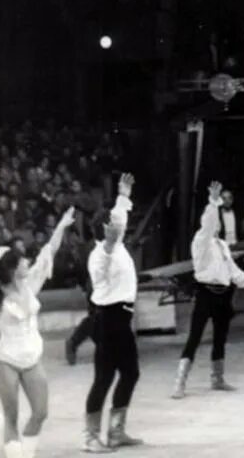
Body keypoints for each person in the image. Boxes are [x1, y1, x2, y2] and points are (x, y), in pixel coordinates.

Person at [0, 207, 75, 458]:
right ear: (12, 269)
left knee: (40, 412)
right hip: (5, 361)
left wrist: (62, 225)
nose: (27, 261)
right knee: (11, 415)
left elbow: (48, 252)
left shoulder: (30, 284)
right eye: (22, 261)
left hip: (32, 358)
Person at [172, 181, 244, 399]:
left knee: (220, 336)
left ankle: (217, 378)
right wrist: (213, 202)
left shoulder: (222, 245)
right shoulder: (200, 241)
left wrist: (243, 280)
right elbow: (208, 224)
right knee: (195, 336)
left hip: (223, 294)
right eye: (213, 220)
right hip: (205, 293)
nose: (216, 224)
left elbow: (230, 267)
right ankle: (180, 382)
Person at [83, 173, 142, 453]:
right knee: (104, 378)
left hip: (122, 318)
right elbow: (101, 271)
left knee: (130, 373)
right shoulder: (99, 255)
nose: (121, 226)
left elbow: (119, 216)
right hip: (108, 319)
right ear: (105, 229)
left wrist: (124, 195)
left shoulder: (116, 245)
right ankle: (90, 437)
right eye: (114, 225)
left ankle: (116, 432)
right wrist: (107, 245)